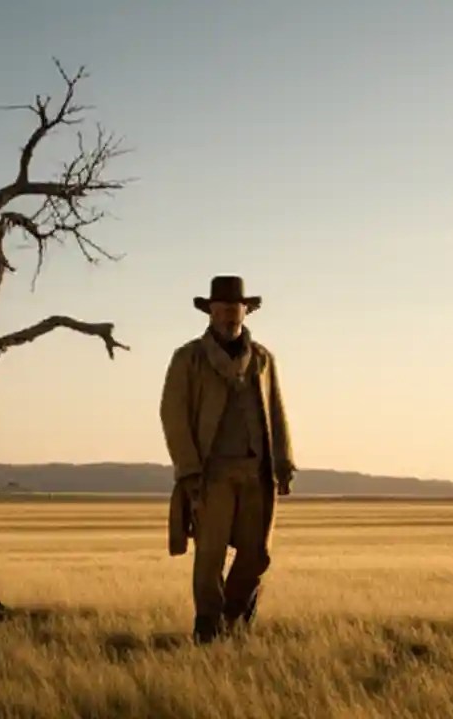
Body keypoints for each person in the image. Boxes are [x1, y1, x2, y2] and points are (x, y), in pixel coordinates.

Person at [160, 275, 296, 644]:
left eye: (234, 308)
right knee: (210, 557)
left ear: (245, 311)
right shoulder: (188, 358)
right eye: (220, 308)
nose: (227, 315)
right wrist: (189, 470)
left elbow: (277, 411)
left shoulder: (263, 359)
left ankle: (234, 617)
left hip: (257, 471)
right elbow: (173, 415)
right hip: (211, 473)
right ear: (209, 312)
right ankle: (208, 627)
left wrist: (284, 461)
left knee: (257, 555)